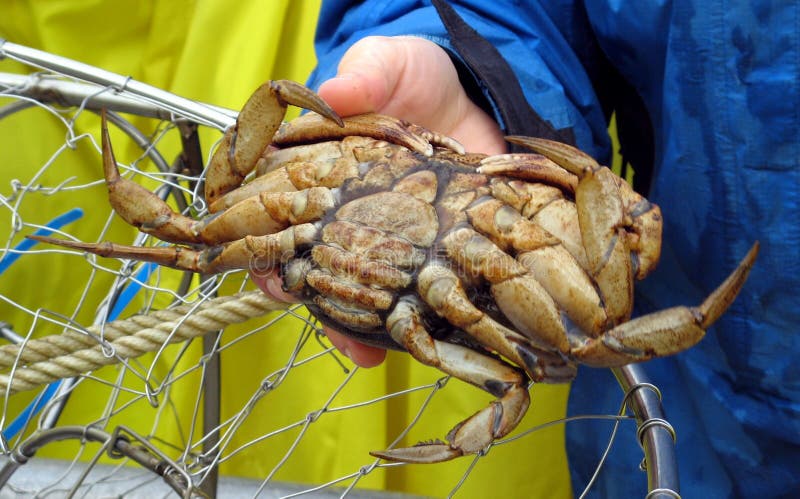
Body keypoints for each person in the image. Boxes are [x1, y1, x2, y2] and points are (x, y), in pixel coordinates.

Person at [259, 1, 799, 497]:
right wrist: (472, 73)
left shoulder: (519, 238)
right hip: (705, 419)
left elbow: (593, 324)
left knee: (587, 330)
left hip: (682, 382)